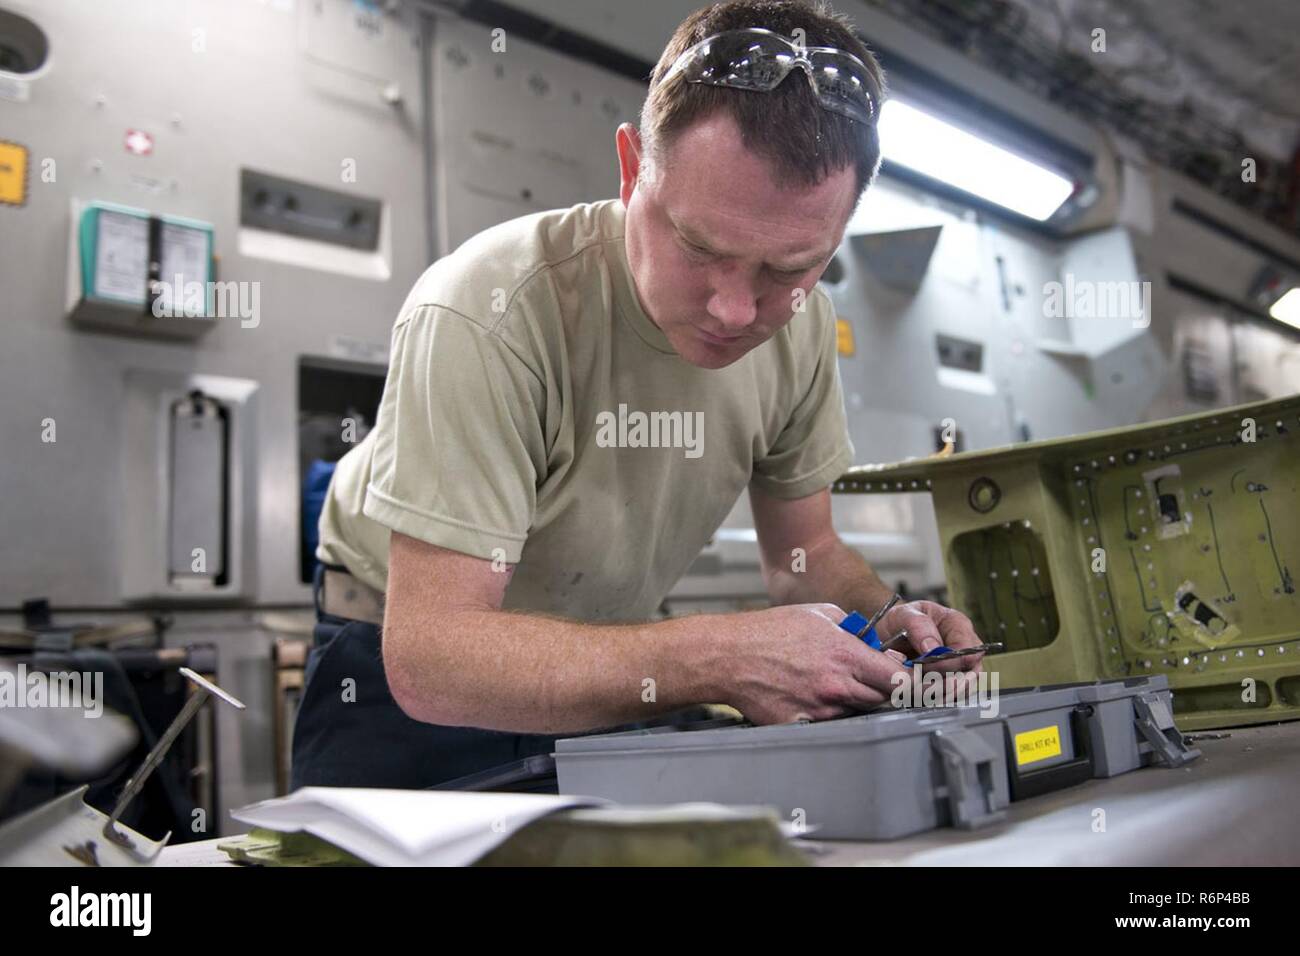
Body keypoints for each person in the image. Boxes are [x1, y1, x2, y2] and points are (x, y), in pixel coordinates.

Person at [292, 0, 985, 790]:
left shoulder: (803, 327)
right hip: (404, 675)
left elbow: (806, 557)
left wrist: (889, 620)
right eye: (698, 247)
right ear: (631, 169)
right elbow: (435, 660)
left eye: (789, 268)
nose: (735, 308)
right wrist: (720, 656)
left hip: (611, 658)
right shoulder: (490, 308)